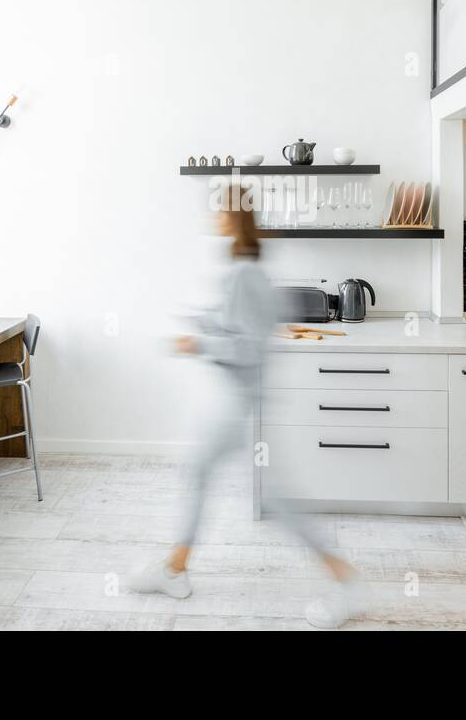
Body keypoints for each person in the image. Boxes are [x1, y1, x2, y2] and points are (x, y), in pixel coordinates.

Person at [125, 185, 363, 629]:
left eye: (219, 212)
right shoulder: (246, 268)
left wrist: (197, 341)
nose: (213, 218)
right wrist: (203, 321)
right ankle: (175, 568)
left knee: (274, 499)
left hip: (239, 404)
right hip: (239, 402)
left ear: (232, 219)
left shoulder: (243, 274)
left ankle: (346, 582)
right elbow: (245, 325)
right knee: (201, 473)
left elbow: (250, 347)